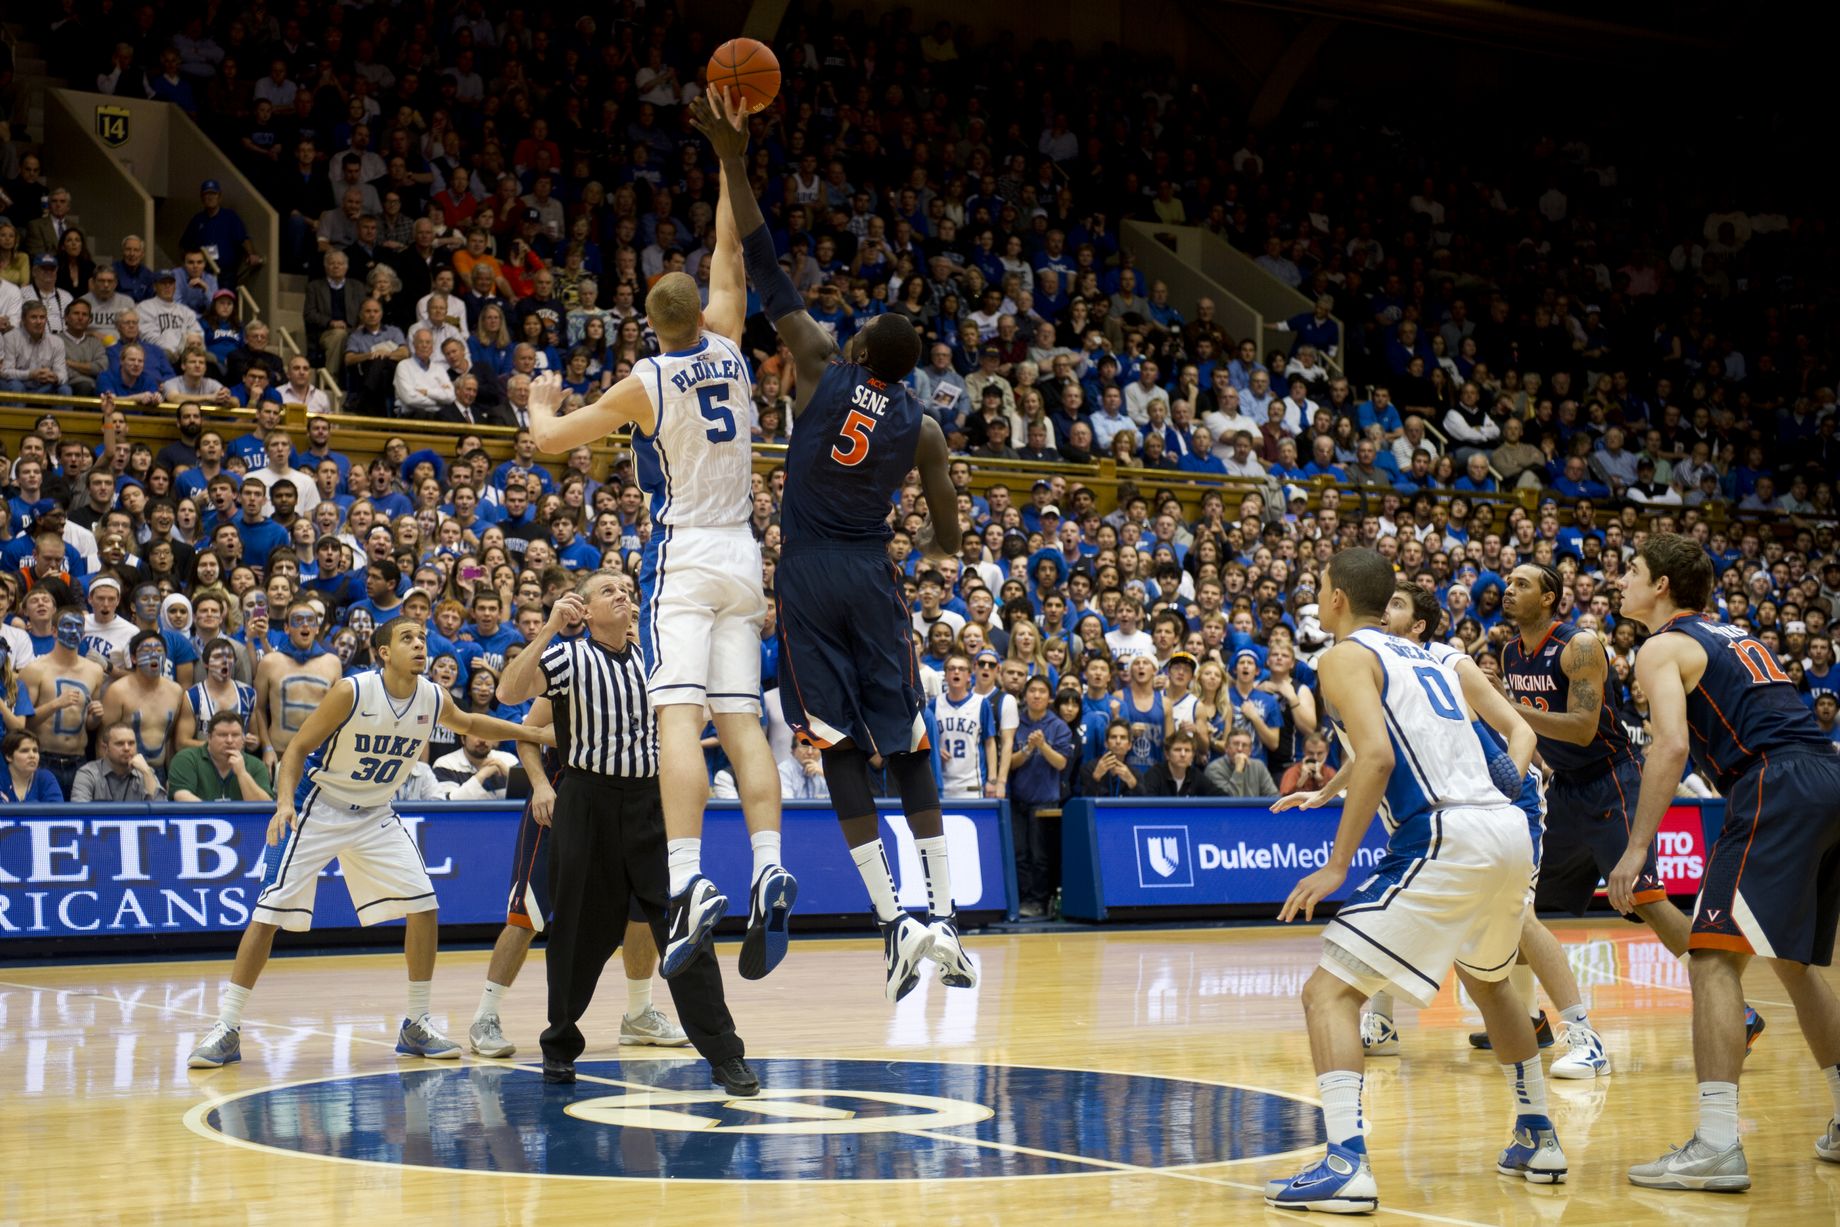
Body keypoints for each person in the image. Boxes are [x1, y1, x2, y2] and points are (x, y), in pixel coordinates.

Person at [687, 89, 974, 997]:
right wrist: (922, 550)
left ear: (856, 347)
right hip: (872, 573)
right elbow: (949, 533)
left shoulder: (816, 362)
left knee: (838, 747)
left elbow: (764, 260)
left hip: (808, 577)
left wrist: (734, 159)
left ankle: (892, 923)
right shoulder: (924, 429)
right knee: (912, 743)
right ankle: (946, 921)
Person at [522, 90, 793, 989]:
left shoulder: (647, 380)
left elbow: (552, 445)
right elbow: (727, 247)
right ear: (703, 314)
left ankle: (686, 881)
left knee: (677, 713)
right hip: (746, 553)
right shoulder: (731, 344)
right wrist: (728, 155)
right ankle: (766, 864)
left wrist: (540, 402)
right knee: (741, 716)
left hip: (683, 552)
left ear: (650, 324)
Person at [1264, 547, 1562, 1212]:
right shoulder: (1439, 656)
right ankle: (1538, 1131)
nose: (1316, 594)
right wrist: (1328, 793)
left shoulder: (1341, 657)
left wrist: (1338, 863)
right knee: (1491, 982)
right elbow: (1496, 732)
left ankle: (1345, 1161)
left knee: (1327, 992)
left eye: (1318, 584)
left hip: (1444, 832)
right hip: (1506, 829)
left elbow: (1377, 754)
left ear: (1337, 597)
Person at [187, 615, 552, 1070]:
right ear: (383, 653)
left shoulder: (432, 696)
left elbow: (472, 720)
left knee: (424, 904)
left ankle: (417, 1023)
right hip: (317, 807)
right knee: (268, 913)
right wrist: (283, 803)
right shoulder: (352, 691)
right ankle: (226, 1027)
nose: (420, 645)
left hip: (375, 812)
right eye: (407, 639)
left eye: (422, 637)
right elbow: (298, 748)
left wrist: (531, 733)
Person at [1612, 534, 1840, 1192]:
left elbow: (1672, 744)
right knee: (1794, 964)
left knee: (1711, 955)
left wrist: (1636, 848)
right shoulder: (1729, 632)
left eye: (1633, 569)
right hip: (1824, 775)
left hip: (1774, 783)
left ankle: (1715, 1142)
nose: (1622, 579)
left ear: (1661, 587)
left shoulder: (1661, 645)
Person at [492, 571, 758, 1093]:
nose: (623, 595)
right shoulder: (568, 656)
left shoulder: (657, 663)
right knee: (575, 934)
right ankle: (560, 1043)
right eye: (609, 590)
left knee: (685, 929)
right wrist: (549, 628)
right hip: (586, 800)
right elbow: (507, 692)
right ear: (585, 611)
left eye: (626, 590)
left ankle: (726, 1054)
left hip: (650, 805)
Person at [1497, 563, 1763, 1054]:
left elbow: (1580, 726)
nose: (1508, 590)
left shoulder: (1578, 645)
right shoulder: (1512, 652)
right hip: (1565, 790)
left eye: (1522, 584)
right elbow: (1535, 730)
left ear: (1550, 597)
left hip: (1611, 781)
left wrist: (1506, 708)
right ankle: (1530, 1020)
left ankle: (1738, 1012)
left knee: (1647, 900)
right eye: (1508, 583)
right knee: (1517, 903)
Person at [1355, 584, 1610, 1082]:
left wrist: (1505, 786)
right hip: (1441, 805)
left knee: (1519, 919)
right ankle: (1382, 1023)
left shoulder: (1448, 661)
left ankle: (1584, 1035)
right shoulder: (1378, 665)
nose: (1384, 611)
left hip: (1500, 799)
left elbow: (1517, 729)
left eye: (1397, 605)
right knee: (1401, 899)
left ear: (1421, 625)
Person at [464, 695, 689, 1060]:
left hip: (626, 808)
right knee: (527, 915)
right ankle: (485, 1017)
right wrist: (539, 784)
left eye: (636, 630)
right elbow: (528, 734)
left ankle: (639, 1013)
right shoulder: (566, 668)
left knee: (642, 911)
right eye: (624, 629)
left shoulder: (648, 676)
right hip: (559, 802)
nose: (631, 632)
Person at [18, 606, 105, 797]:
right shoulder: (34, 670)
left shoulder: (95, 671)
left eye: (78, 627)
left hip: (79, 761)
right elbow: (22, 724)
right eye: (67, 625)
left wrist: (96, 718)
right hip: (43, 760)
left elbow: (89, 726)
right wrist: (56, 704)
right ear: (54, 632)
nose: (73, 631)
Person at [252, 597, 342, 771]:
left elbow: (338, 713)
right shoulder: (270, 662)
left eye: (310, 621)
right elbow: (259, 708)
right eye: (298, 620)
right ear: (287, 628)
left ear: (317, 628)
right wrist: (267, 748)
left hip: (319, 758)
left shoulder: (332, 663)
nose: (305, 625)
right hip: (279, 753)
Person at [168, 711, 274, 801]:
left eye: (235, 735)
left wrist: (242, 773)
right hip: (199, 823)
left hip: (244, 824)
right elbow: (181, 796)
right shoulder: (187, 759)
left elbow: (265, 806)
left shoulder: (256, 765)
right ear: (209, 738)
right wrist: (218, 819)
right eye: (222, 735)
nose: (229, 740)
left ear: (243, 739)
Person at [933, 654, 997, 801]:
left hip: (972, 786)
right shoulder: (934, 704)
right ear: (946, 675)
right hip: (942, 785)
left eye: (961, 669)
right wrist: (936, 750)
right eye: (952, 669)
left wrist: (992, 780)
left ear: (969, 676)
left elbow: (990, 743)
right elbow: (926, 740)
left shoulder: (981, 703)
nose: (956, 672)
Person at [1, 729, 64, 802]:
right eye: (24, 751)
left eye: (35, 750)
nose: (32, 755)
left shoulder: (46, 778)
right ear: (9, 756)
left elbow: (56, 811)